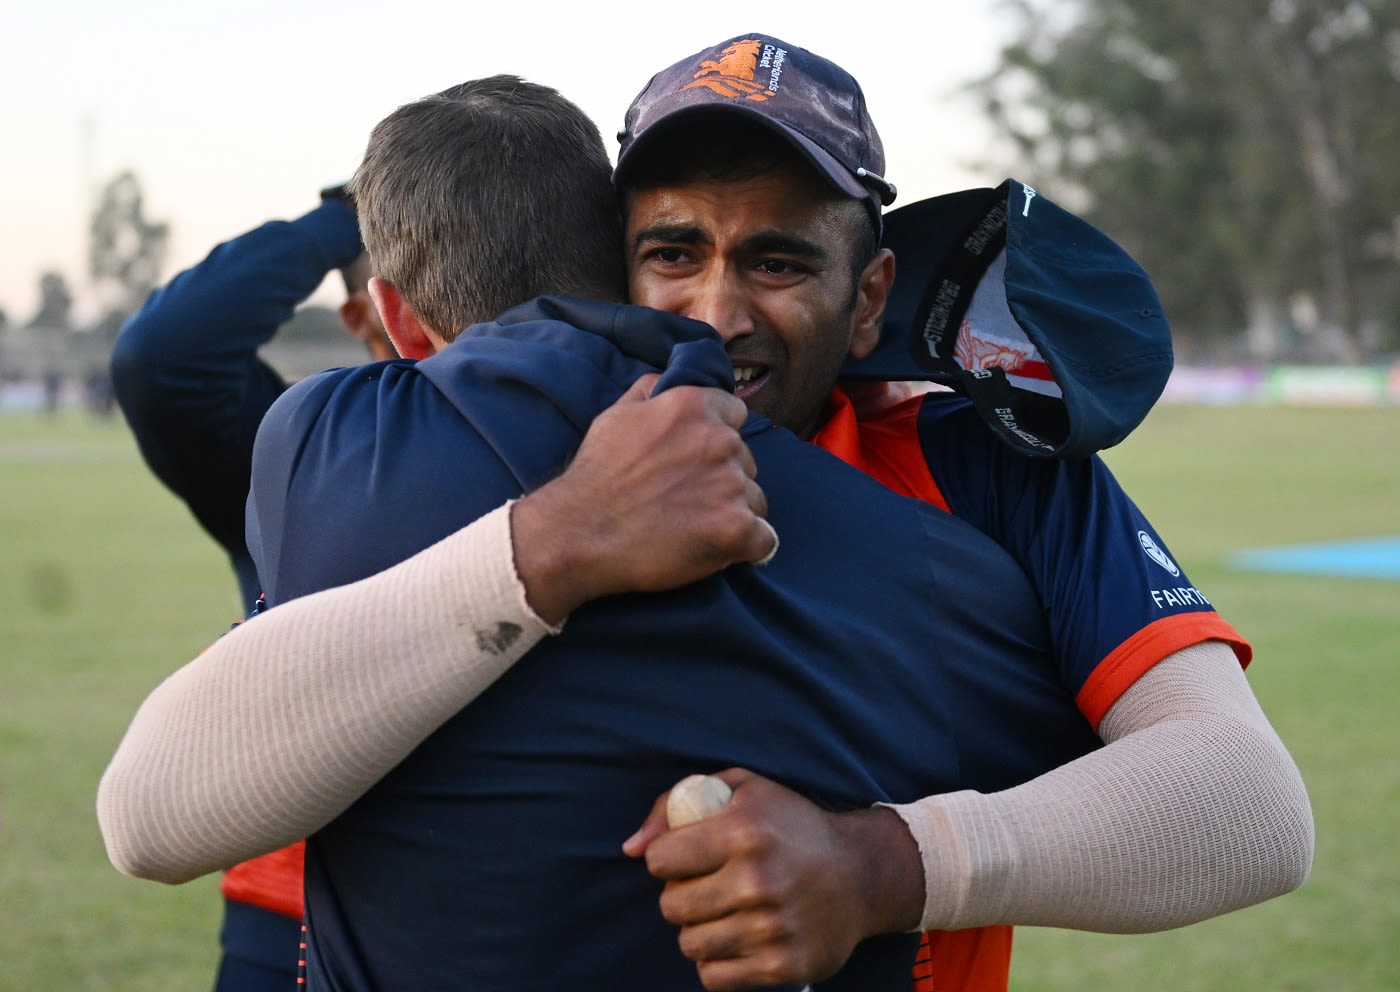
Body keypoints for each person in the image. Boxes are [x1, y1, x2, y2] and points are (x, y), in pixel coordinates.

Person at [99, 39, 1313, 992]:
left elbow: (1251, 805)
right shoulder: (495, 444)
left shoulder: (985, 468)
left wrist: (886, 864)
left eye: (777, 262)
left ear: (867, 289)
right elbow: (155, 806)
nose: (715, 308)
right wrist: (554, 540)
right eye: (670, 250)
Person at [108, 189, 394, 992]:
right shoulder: (298, 455)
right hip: (284, 916)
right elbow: (162, 356)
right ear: (371, 316)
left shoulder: (580, 444)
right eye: (417, 282)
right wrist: (353, 211)